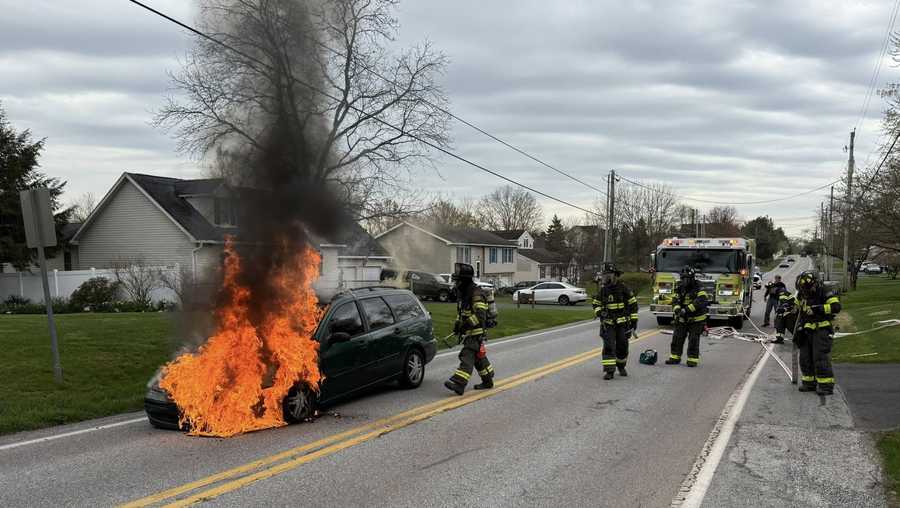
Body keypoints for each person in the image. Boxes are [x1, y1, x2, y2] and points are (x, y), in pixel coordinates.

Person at [444, 262, 495, 395]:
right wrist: (457, 325)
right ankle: (488, 380)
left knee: (466, 356)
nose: (456, 284)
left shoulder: (476, 293)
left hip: (475, 331)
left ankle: (459, 384)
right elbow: (462, 312)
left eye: (458, 281)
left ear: (464, 280)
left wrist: (465, 326)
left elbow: (480, 315)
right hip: (470, 331)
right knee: (478, 358)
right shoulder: (465, 293)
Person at [794, 271, 841, 395]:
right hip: (806, 329)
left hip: (821, 329)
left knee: (820, 357)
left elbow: (836, 307)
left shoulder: (825, 291)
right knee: (805, 358)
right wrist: (787, 308)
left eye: (806, 288)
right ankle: (809, 383)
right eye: (802, 289)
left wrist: (818, 309)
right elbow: (797, 309)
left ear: (815, 283)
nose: (805, 292)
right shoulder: (802, 294)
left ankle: (825, 385)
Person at [591, 263, 639, 380]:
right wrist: (599, 312)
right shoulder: (603, 290)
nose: (606, 277)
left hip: (623, 324)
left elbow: (633, 305)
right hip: (608, 324)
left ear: (614, 275)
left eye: (608, 275)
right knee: (609, 346)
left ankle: (621, 366)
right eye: (604, 275)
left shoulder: (623, 288)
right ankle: (609, 371)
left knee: (623, 345)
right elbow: (596, 304)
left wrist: (633, 322)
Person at [665, 266, 709, 367]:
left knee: (693, 339)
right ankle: (675, 357)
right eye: (683, 278)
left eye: (687, 279)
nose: (685, 281)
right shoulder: (680, 287)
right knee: (677, 338)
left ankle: (692, 359)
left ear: (692, 278)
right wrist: (677, 309)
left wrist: (686, 310)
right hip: (682, 319)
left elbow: (701, 301)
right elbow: (675, 299)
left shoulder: (699, 286)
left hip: (696, 319)